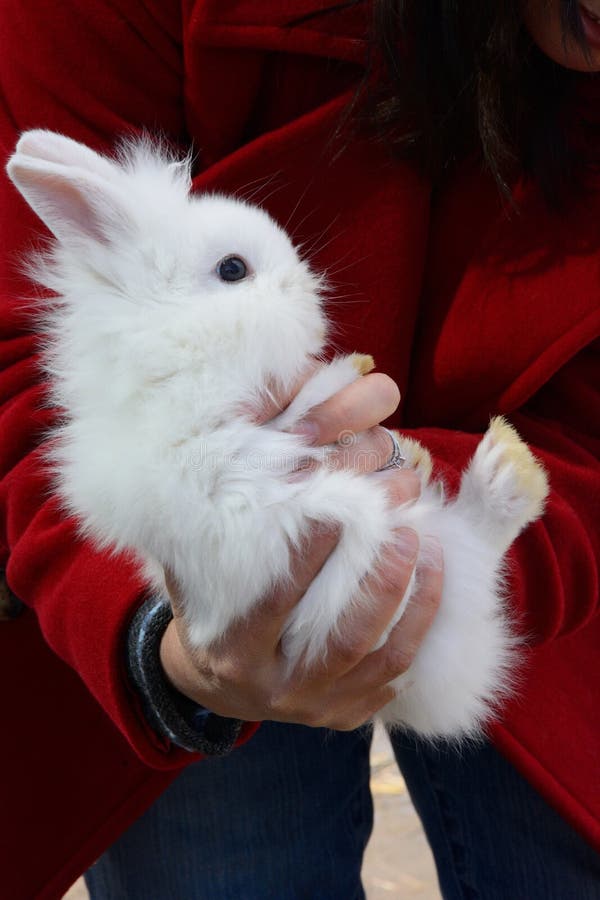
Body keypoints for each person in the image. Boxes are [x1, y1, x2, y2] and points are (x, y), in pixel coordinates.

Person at [0, 1, 598, 898]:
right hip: (167, 641)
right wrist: (169, 653)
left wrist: (440, 527)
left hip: (526, 563)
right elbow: (41, 406)